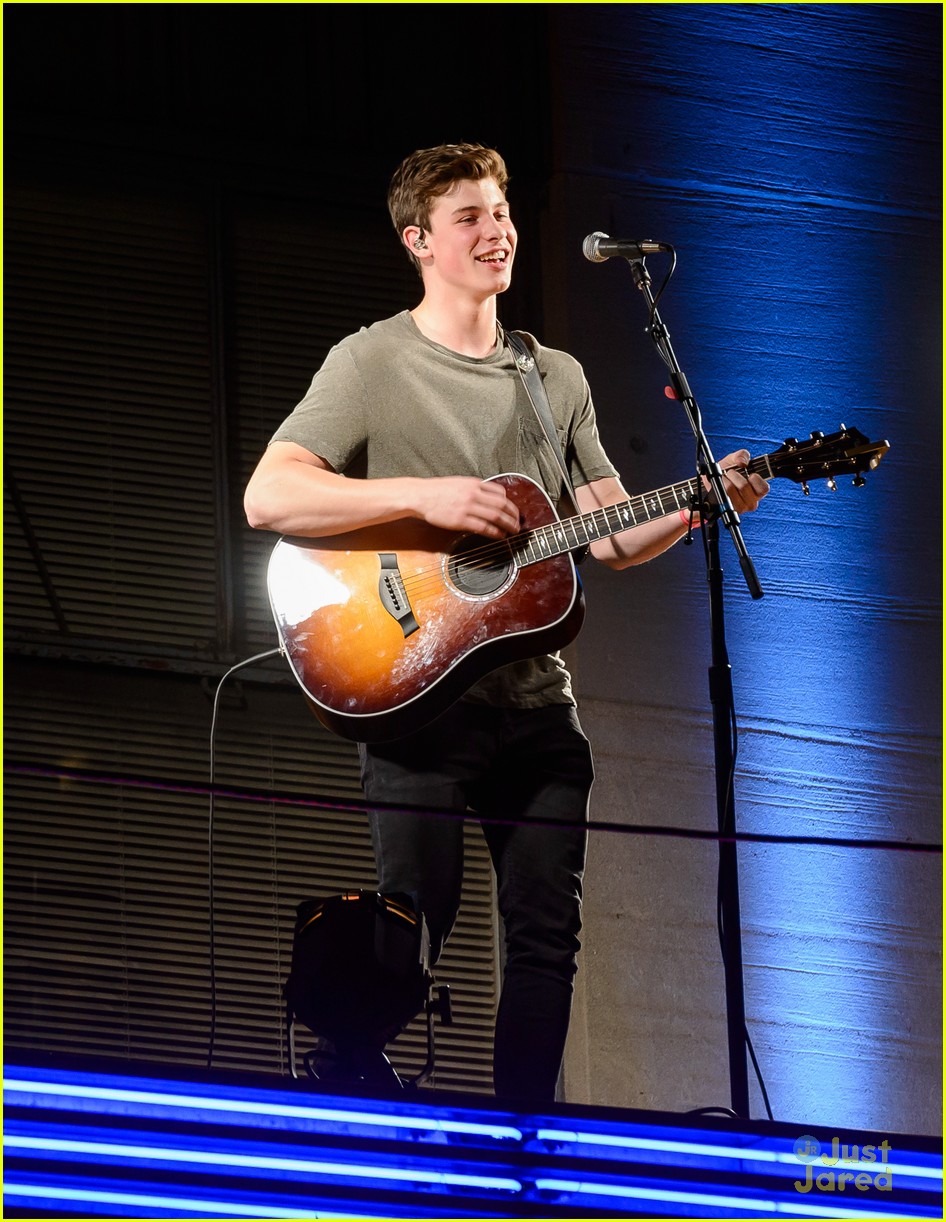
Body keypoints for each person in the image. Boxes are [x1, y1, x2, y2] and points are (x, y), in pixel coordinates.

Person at [244, 142, 769, 1102]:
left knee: (545, 935)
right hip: (413, 699)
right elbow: (270, 497)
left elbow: (608, 534)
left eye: (503, 213)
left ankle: (523, 1141)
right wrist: (436, 499)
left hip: (535, 710)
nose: (498, 233)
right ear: (419, 242)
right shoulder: (368, 362)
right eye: (470, 219)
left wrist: (704, 498)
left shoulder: (551, 375)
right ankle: (358, 1071)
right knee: (418, 915)